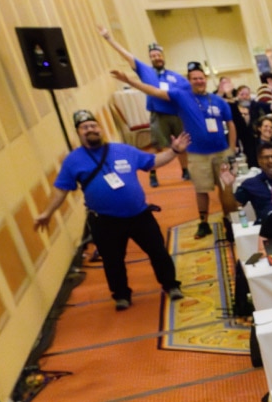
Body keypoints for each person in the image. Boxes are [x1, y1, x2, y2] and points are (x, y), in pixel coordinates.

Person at [35, 111, 186, 311]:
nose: (90, 129)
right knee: (113, 261)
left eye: (93, 125)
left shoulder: (123, 150)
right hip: (104, 221)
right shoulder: (73, 160)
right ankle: (121, 295)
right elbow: (61, 189)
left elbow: (152, 162)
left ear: (100, 129)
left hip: (139, 215)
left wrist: (174, 151)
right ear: (78, 133)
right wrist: (47, 213)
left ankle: (171, 285)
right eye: (84, 127)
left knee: (158, 252)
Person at [113, 64, 235, 239]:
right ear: (189, 81)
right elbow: (154, 91)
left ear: (206, 80)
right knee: (201, 189)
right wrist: (129, 81)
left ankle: (229, 221)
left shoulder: (218, 101)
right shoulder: (181, 96)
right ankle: (203, 223)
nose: (199, 81)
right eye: (195, 78)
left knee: (226, 189)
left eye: (201, 78)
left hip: (222, 153)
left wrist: (231, 149)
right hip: (197, 155)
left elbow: (231, 124)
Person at [99, 28, 186, 186]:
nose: (156, 58)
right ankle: (152, 173)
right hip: (158, 115)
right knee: (157, 147)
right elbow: (127, 56)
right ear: (150, 58)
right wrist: (109, 39)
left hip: (176, 114)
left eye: (158, 55)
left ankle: (185, 170)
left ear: (163, 57)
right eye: (153, 56)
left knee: (182, 144)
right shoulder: (145, 71)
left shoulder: (175, 76)